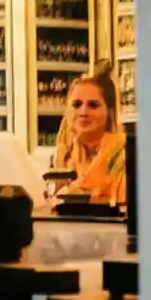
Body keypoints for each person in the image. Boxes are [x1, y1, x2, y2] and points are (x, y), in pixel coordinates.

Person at [53, 62, 127, 204]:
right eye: (77, 105)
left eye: (93, 105)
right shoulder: (64, 156)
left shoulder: (127, 155)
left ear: (109, 111)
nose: (83, 112)